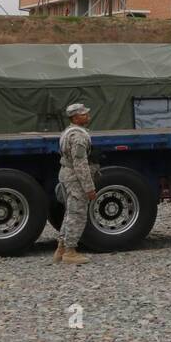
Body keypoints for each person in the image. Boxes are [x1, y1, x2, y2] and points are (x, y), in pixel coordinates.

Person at [56, 103, 98, 266]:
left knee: (70, 212)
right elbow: (80, 164)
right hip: (75, 178)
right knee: (77, 214)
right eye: (83, 114)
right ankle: (70, 252)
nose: (87, 116)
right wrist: (89, 188)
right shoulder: (78, 137)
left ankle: (61, 248)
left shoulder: (68, 132)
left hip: (66, 174)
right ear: (74, 118)